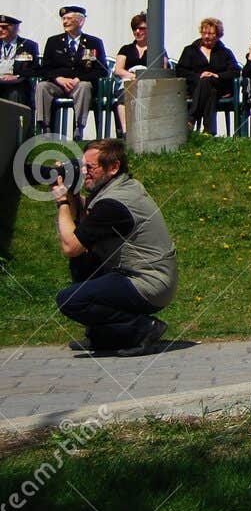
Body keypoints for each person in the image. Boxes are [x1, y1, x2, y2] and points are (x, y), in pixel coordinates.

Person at [51, 139, 177, 356]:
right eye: (81, 167)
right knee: (84, 261)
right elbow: (88, 217)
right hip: (144, 276)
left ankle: (142, 329)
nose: (84, 173)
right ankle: (104, 335)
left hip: (148, 283)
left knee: (70, 300)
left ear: (113, 167)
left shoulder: (115, 203)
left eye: (90, 168)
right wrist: (71, 192)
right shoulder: (121, 187)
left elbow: (71, 246)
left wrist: (63, 201)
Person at [34, 6, 108, 140]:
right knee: (42, 86)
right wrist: (58, 78)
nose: (65, 22)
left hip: (79, 86)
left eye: (69, 18)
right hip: (57, 85)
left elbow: (102, 70)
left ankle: (78, 128)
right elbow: (44, 69)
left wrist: (79, 79)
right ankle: (46, 128)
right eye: (63, 19)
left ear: (80, 21)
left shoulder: (93, 42)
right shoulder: (53, 41)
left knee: (85, 86)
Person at [175, 18, 240, 135]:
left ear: (218, 35)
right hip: (195, 87)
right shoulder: (190, 50)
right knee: (210, 89)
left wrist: (216, 75)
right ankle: (209, 131)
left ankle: (191, 119)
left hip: (220, 86)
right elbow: (180, 70)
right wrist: (199, 76)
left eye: (210, 34)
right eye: (204, 33)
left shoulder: (225, 52)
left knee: (209, 82)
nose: (206, 37)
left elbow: (235, 71)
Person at [110, 12, 152, 132]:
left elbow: (162, 68)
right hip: (128, 83)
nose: (137, 31)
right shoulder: (126, 49)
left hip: (148, 84)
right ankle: (125, 132)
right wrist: (134, 76)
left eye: (142, 28)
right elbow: (118, 70)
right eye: (135, 28)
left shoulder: (156, 49)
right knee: (124, 94)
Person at [0, 13, 41, 121]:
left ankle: (14, 131)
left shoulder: (28, 45)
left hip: (17, 83)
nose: (0, 30)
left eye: (4, 27)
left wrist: (17, 76)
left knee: (15, 93)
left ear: (15, 28)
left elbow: (35, 68)